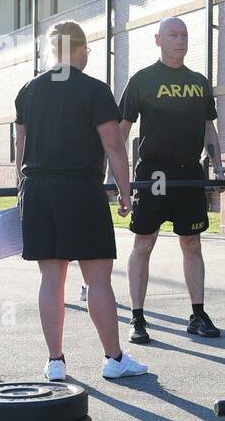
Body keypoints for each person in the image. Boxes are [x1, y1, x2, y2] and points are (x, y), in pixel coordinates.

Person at [12, 21, 147, 381]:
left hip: (38, 191)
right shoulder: (94, 90)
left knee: (51, 279)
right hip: (80, 191)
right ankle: (114, 359)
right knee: (98, 280)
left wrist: (21, 192)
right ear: (83, 50)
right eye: (87, 51)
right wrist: (125, 190)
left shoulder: (28, 90)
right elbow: (114, 145)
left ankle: (55, 362)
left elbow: (20, 150)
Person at [118, 17, 222, 345]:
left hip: (189, 172)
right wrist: (113, 176)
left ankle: (198, 314)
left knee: (192, 242)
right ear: (157, 39)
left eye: (184, 35)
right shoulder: (142, 80)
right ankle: (137, 317)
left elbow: (209, 128)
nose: (180, 40)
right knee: (144, 243)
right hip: (154, 173)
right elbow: (122, 131)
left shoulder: (199, 83)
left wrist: (217, 169)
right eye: (173, 35)